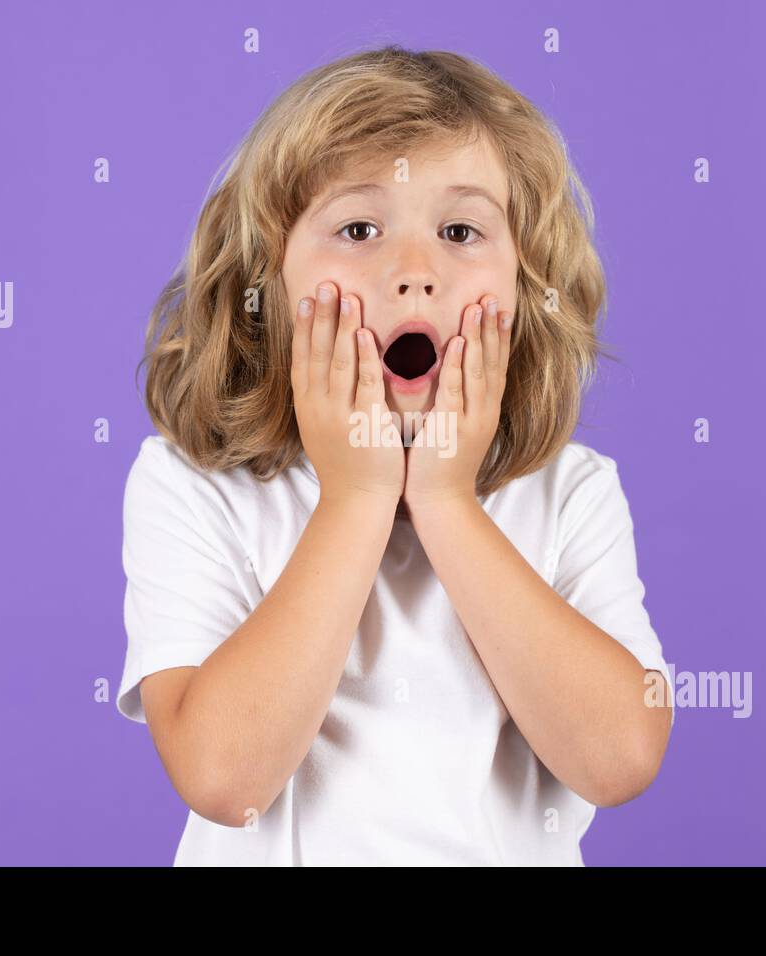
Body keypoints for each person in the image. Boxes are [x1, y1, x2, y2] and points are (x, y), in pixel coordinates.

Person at [116, 44, 673, 865]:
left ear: (525, 283)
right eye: (358, 227)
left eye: (460, 230)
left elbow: (620, 758)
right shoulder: (194, 487)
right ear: (263, 287)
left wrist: (446, 500)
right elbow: (224, 779)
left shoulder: (571, 493)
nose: (414, 273)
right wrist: (356, 497)